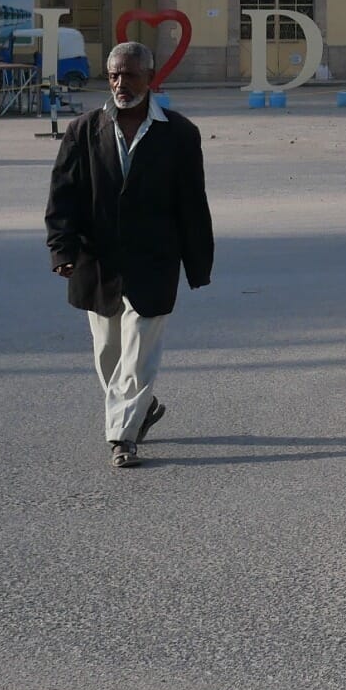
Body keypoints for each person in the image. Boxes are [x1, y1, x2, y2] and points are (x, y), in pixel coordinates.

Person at [44, 40, 214, 468]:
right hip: (96, 260)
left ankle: (122, 436)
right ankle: (144, 407)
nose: (121, 83)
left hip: (154, 261)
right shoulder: (83, 130)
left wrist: (197, 262)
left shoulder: (179, 133)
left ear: (151, 78)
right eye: (115, 75)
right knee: (108, 353)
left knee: (138, 354)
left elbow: (192, 202)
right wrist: (61, 248)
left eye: (131, 74)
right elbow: (63, 195)